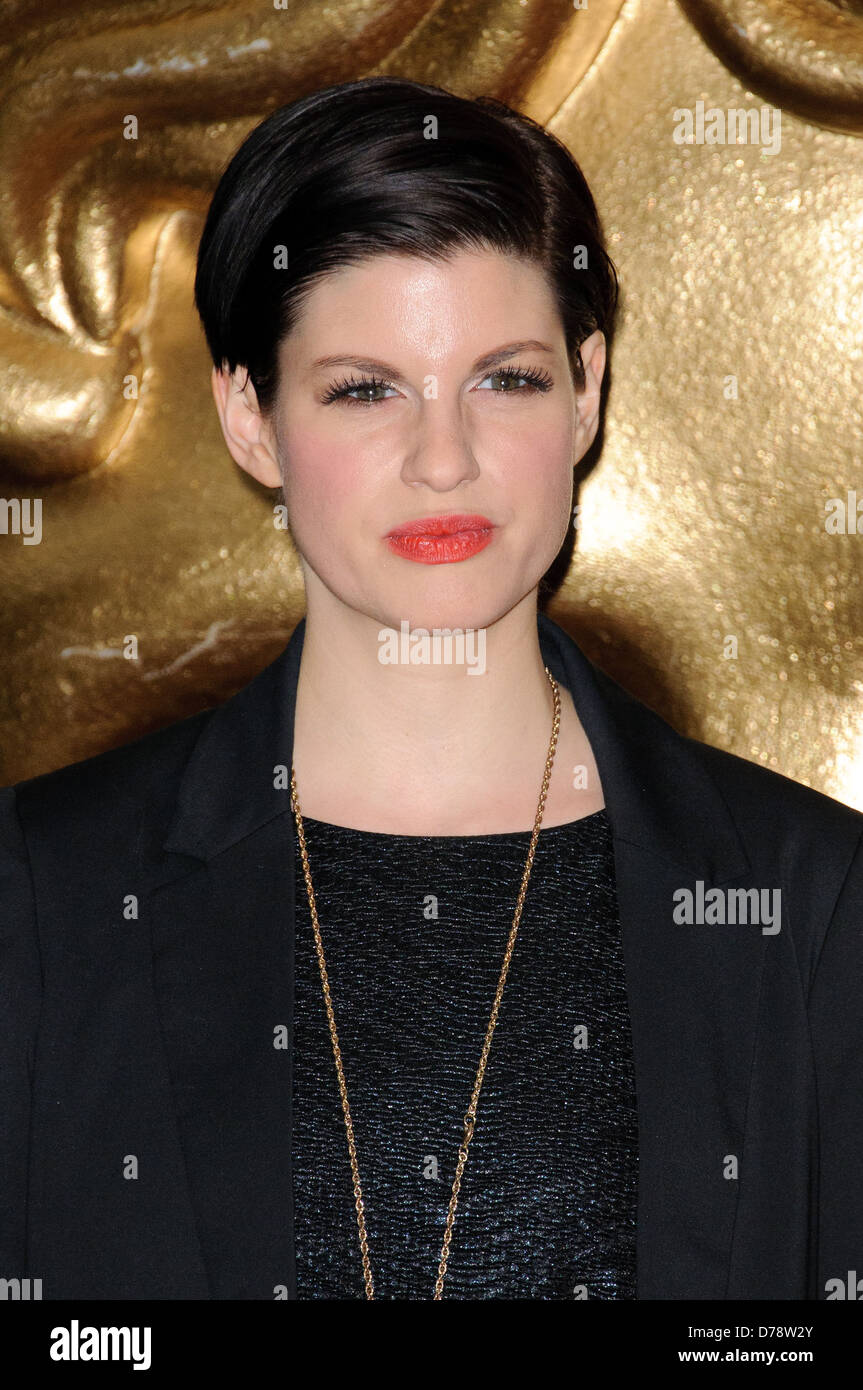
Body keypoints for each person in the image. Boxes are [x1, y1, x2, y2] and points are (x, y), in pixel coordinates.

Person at [1, 76, 861, 1302]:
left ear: (587, 391)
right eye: (364, 388)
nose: (442, 458)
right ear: (251, 421)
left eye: (503, 378)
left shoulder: (807, 902)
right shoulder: (44, 895)